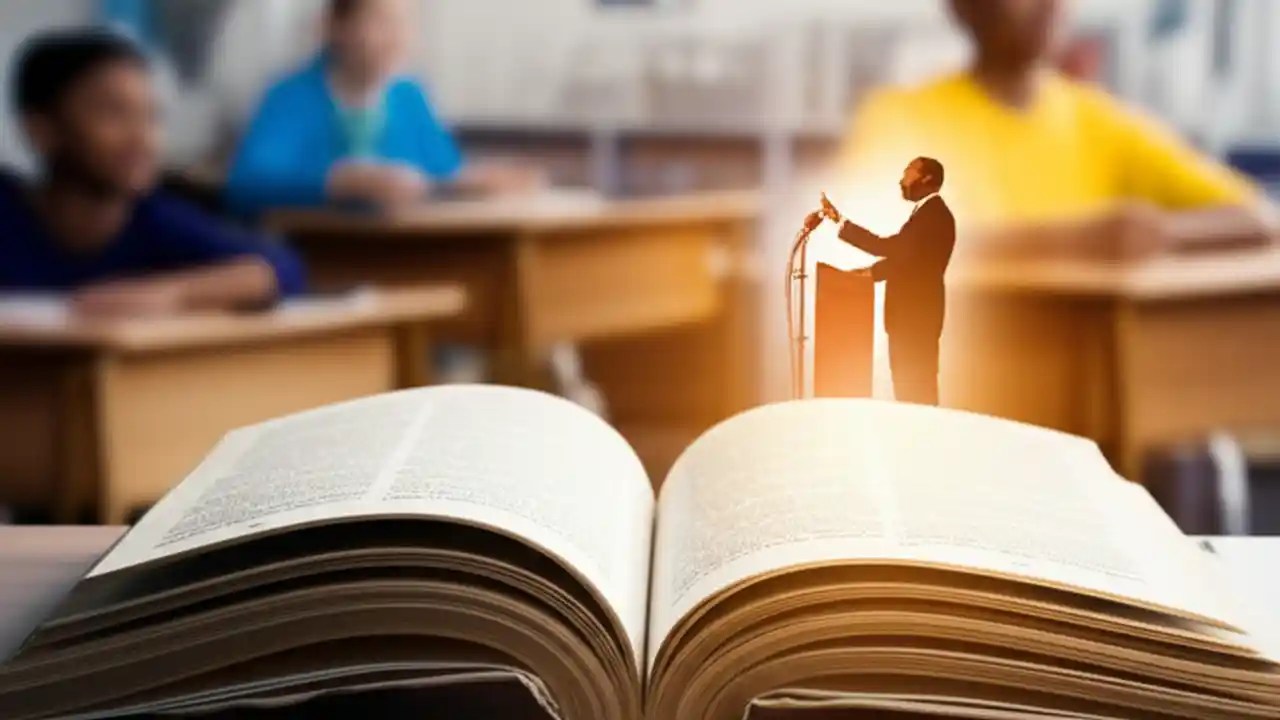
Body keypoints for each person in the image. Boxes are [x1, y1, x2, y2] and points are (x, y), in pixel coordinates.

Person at [833, 0, 1274, 259]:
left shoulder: (1101, 122)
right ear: (965, 7)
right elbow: (875, 239)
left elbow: (1257, 219)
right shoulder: (902, 118)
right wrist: (1079, 241)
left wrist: (1162, 236)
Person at [0, 30, 305, 317]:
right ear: (41, 130)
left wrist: (174, 294)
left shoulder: (156, 221)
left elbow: (282, 271)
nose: (142, 138)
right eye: (113, 113)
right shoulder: (9, 211)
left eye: (151, 117)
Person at [226, 0, 537, 216]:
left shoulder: (409, 97)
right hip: (320, 258)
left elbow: (442, 172)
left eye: (404, 22)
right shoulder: (292, 98)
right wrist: (338, 183)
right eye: (380, 21)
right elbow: (246, 186)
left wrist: (478, 182)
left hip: (406, 251)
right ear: (336, 27)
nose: (396, 36)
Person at [811, 158, 955, 406]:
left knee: (916, 393)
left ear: (926, 179)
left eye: (908, 173)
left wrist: (841, 222)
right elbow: (906, 261)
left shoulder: (933, 216)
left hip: (915, 321)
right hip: (911, 320)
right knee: (910, 393)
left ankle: (921, 442)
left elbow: (889, 248)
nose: (902, 180)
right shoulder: (927, 214)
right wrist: (868, 273)